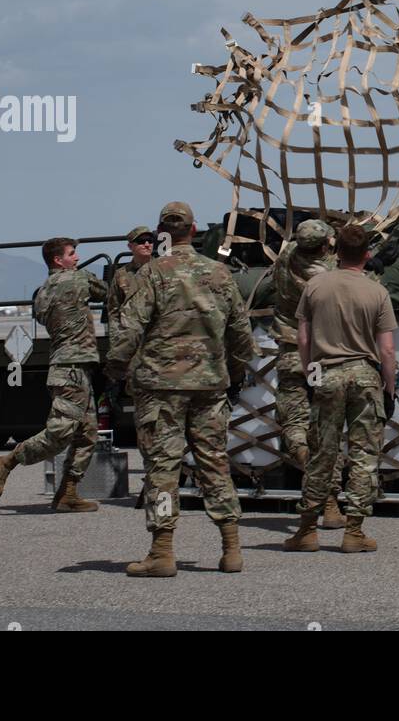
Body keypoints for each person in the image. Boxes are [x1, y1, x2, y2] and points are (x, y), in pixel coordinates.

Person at [105, 202, 258, 577]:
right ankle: (231, 547)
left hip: (161, 387)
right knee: (215, 462)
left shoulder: (152, 274)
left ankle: (162, 551)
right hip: (209, 385)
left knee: (162, 468)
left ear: (162, 233)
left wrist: (115, 368)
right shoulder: (220, 274)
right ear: (193, 231)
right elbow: (242, 337)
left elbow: (129, 329)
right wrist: (231, 372)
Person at [283, 225, 397, 555]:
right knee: (363, 456)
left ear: (336, 253)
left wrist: (310, 372)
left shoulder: (316, 286)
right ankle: (354, 531)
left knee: (321, 454)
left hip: (326, 374)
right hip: (364, 375)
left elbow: (302, 339)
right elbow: (387, 351)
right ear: (367, 255)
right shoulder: (377, 292)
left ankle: (306, 530)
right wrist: (389, 388)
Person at [0, 237, 107, 512]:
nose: (76, 258)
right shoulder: (77, 280)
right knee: (59, 433)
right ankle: (7, 462)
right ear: (58, 260)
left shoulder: (42, 293)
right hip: (71, 369)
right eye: (72, 254)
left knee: (87, 433)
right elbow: (108, 293)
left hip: (72, 367)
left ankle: (68, 493)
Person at [271, 219, 345, 529]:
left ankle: (306, 465)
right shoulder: (330, 274)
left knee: (294, 423)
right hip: (325, 354)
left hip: (291, 353)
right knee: (328, 430)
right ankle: (329, 501)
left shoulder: (287, 258)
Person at [106, 226, 155, 332]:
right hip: (131, 335)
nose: (147, 245)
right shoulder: (121, 274)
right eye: (141, 241)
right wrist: (117, 337)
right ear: (130, 246)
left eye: (150, 241)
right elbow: (113, 309)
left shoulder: (161, 269)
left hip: (157, 335)